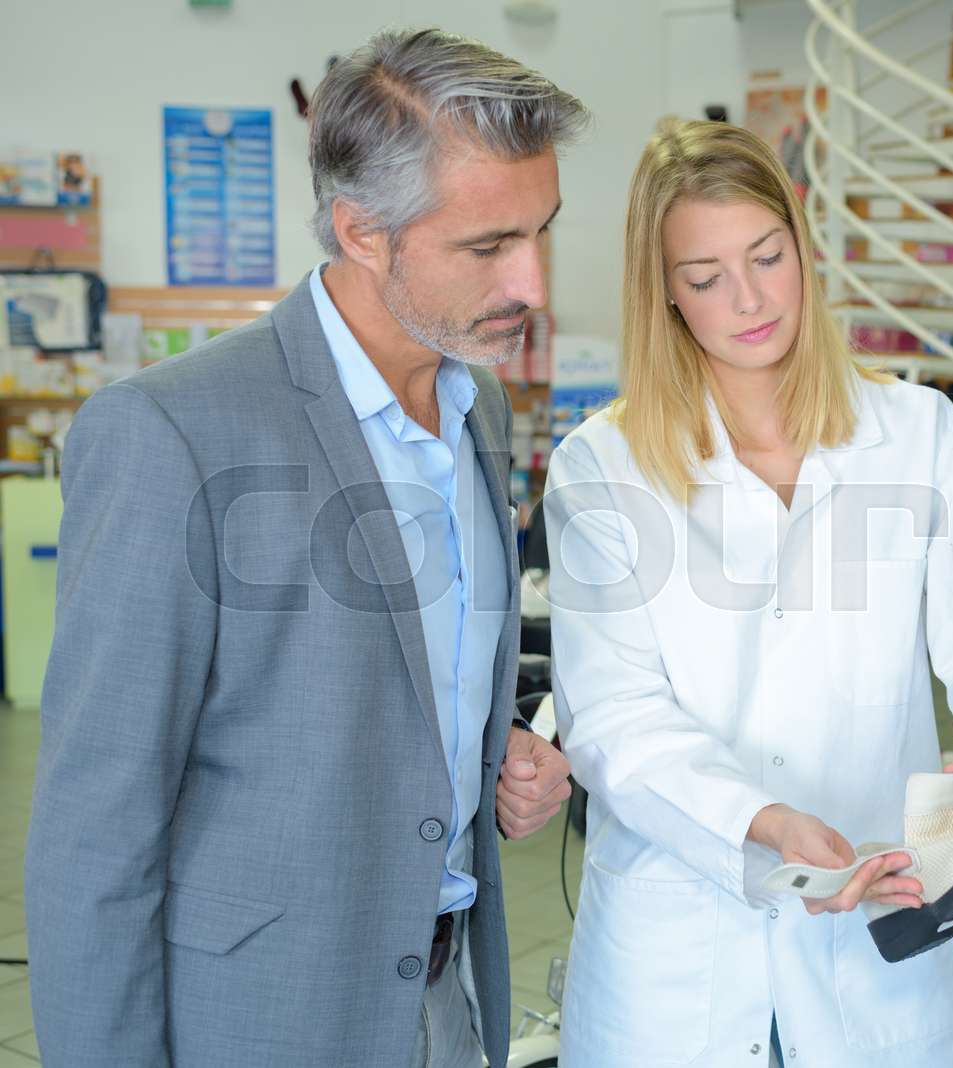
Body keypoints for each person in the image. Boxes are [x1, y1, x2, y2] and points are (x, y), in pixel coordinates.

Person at [25, 29, 585, 1068]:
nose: (533, 285)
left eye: (541, 233)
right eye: (487, 247)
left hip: (452, 995)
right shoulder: (173, 431)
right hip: (261, 1016)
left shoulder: (480, 406)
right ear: (360, 230)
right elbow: (95, 830)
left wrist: (501, 755)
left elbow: (402, 677)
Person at [543, 118, 953, 1068]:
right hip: (679, 971)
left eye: (767, 256)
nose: (749, 300)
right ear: (664, 294)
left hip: (873, 956)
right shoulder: (604, 467)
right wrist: (762, 825)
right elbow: (614, 715)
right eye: (705, 278)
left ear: (803, 243)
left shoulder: (922, 435)